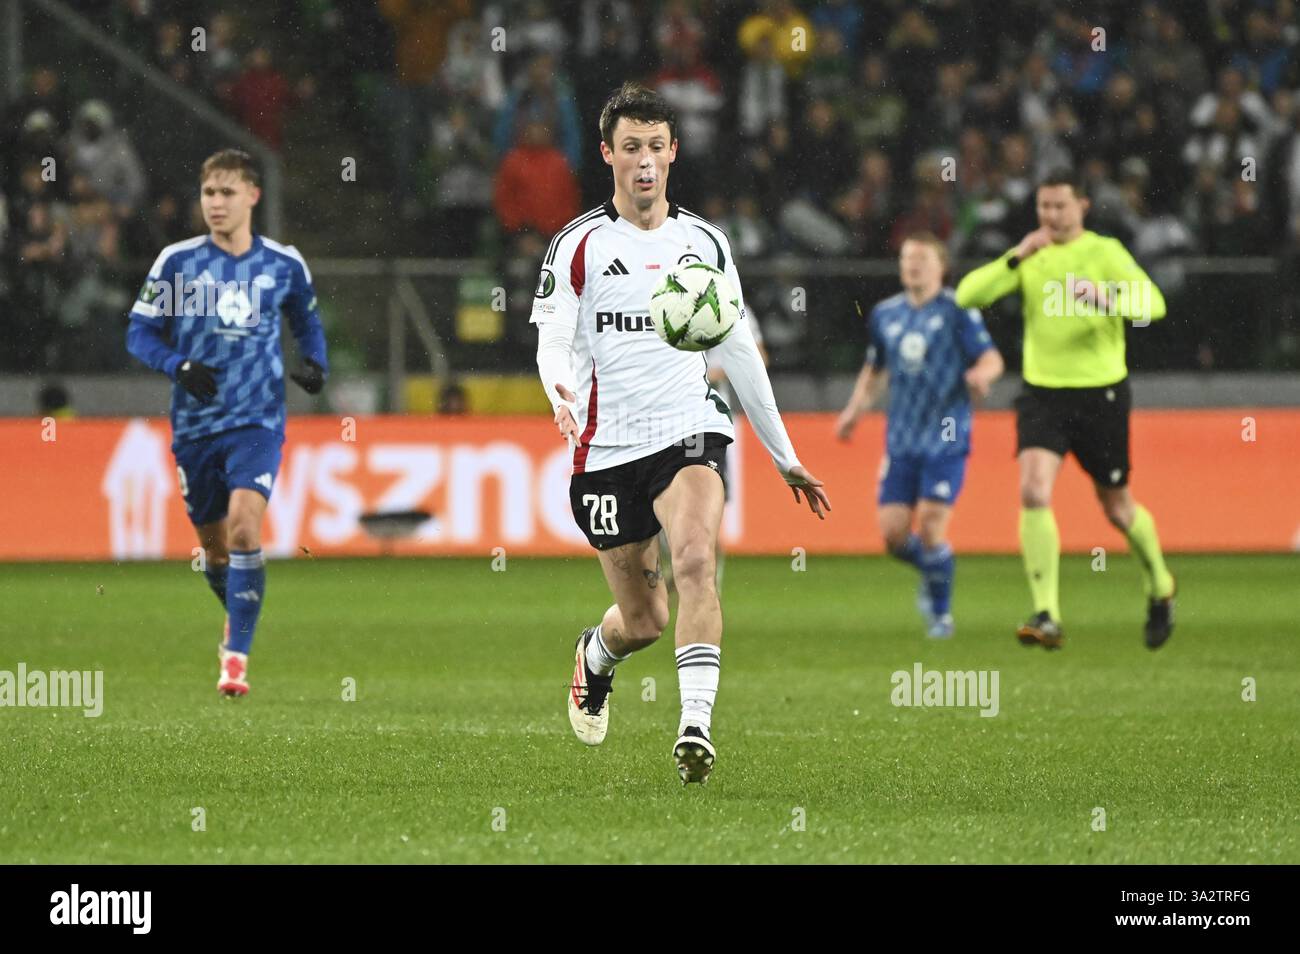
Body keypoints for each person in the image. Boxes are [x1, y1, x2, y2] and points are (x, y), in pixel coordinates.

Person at [531, 83, 830, 784]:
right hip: (604, 449)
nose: (643, 162)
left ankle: (694, 725)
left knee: (696, 560)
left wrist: (784, 455)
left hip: (689, 429)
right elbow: (551, 339)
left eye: (656, 148)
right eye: (629, 147)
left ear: (673, 153)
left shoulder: (705, 243)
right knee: (643, 620)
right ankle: (595, 656)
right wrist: (560, 390)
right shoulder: (577, 246)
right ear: (607, 153)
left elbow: (735, 351)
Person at [125, 149, 328, 695]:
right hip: (194, 427)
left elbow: (307, 324)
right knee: (214, 550)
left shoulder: (283, 264)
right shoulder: (177, 263)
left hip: (257, 421)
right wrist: (179, 365)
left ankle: (235, 657)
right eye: (209, 193)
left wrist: (316, 365)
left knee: (244, 526)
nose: (215, 203)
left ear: (253, 196)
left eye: (227, 192)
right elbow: (139, 333)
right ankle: (239, 615)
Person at [955, 169, 1176, 650]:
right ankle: (1047, 613)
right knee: (1034, 490)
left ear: (1083, 207)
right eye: (1043, 207)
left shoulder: (1104, 252)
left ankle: (1160, 585)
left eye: (1059, 206)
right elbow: (968, 296)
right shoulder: (1031, 255)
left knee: (1117, 508)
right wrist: (1015, 256)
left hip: (1101, 395)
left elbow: (1153, 304)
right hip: (1043, 395)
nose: (1050, 216)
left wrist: (1107, 298)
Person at [836, 233, 1003, 638]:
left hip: (946, 438)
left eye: (922, 259)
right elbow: (875, 372)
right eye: (907, 258)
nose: (912, 265)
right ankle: (938, 567)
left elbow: (991, 357)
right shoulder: (886, 315)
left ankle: (941, 615)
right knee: (893, 536)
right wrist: (854, 412)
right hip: (902, 441)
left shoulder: (958, 310)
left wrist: (982, 376)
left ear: (941, 267)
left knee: (930, 526)